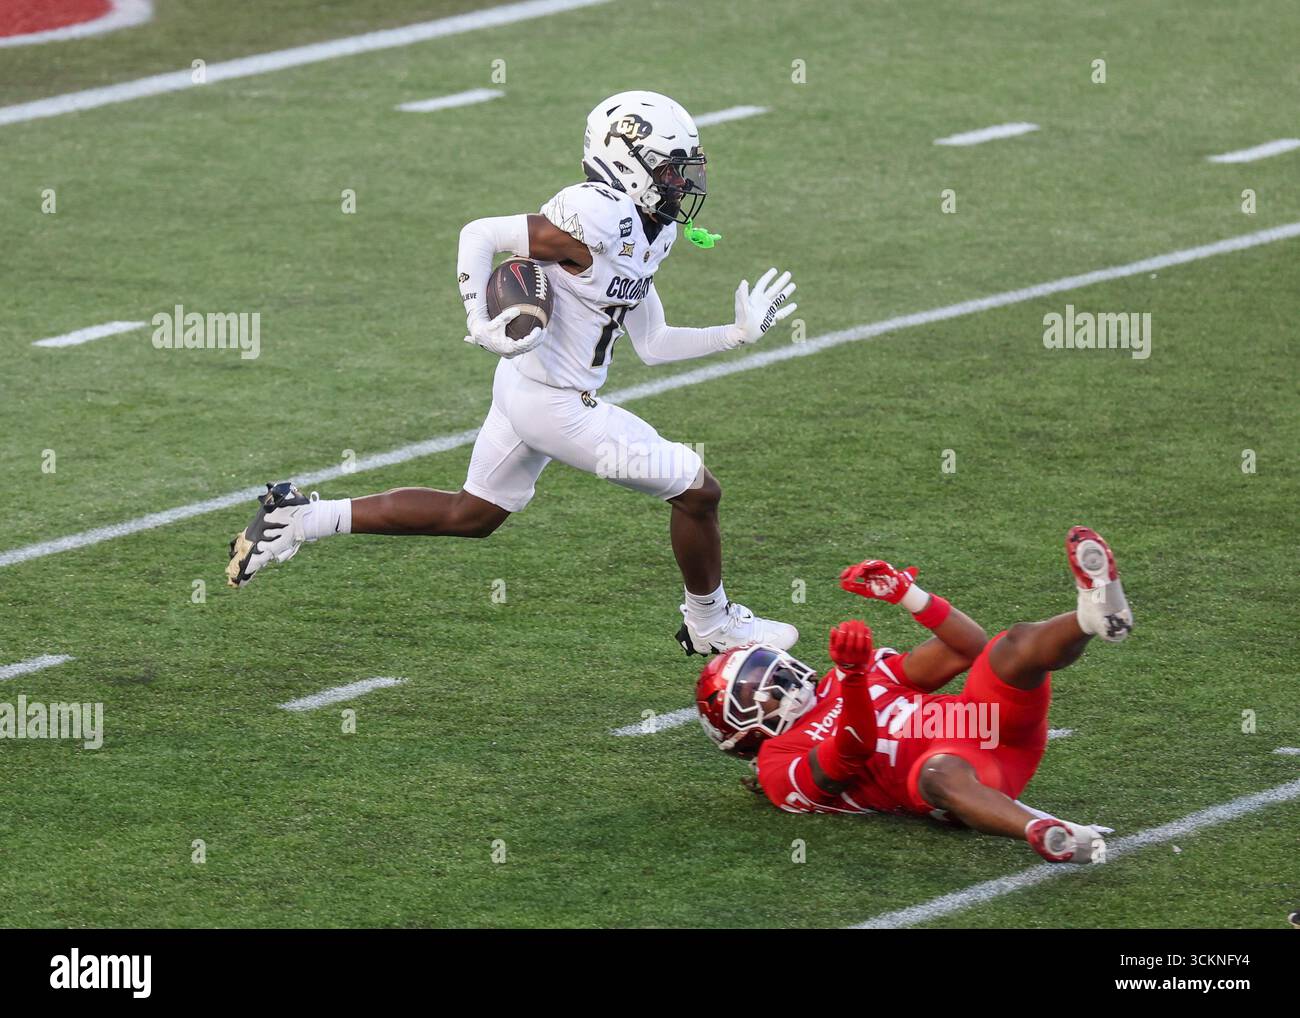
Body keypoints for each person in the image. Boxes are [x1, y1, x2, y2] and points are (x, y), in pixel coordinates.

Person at [226, 90, 799, 656]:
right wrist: (479, 318)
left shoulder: (653, 231)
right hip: (557, 405)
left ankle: (300, 519)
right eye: (670, 171)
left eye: (683, 172)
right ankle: (711, 623)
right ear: (627, 160)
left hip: (529, 389)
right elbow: (480, 233)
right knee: (697, 491)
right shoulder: (597, 213)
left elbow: (652, 343)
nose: (681, 184)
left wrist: (735, 334)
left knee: (471, 514)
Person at [695, 526, 1134, 863]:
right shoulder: (778, 766)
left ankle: (1094, 614)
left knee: (1012, 645)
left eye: (764, 668)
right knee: (937, 776)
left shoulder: (841, 681)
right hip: (964, 775)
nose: (776, 680)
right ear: (738, 728)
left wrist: (908, 594)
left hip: (983, 721)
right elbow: (853, 747)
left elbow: (966, 648)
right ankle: (1042, 830)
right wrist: (851, 676)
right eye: (755, 690)